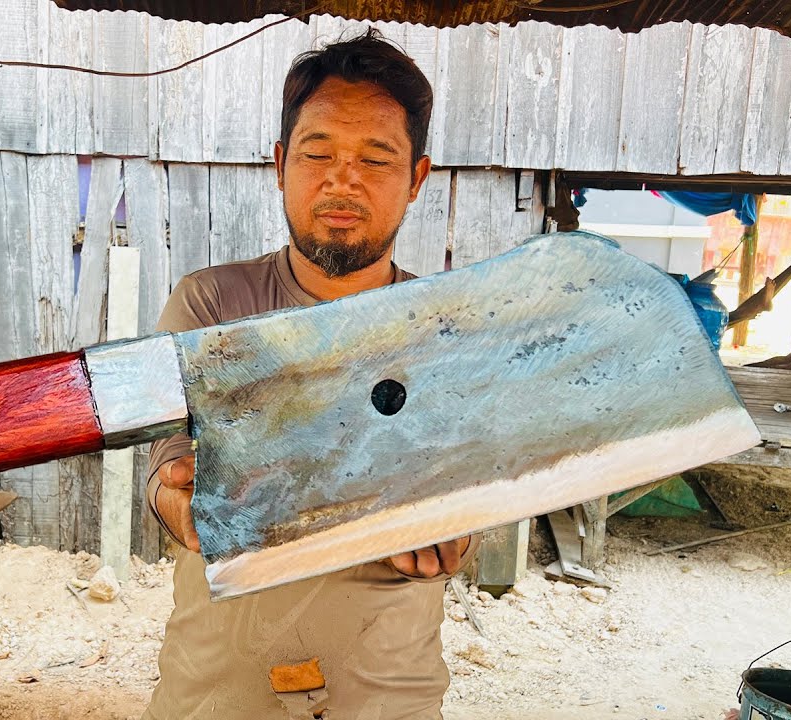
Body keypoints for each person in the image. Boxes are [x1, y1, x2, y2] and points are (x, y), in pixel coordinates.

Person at [141, 30, 479, 719]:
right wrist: (178, 502)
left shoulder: (448, 332)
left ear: (417, 177)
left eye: (375, 158)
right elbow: (169, 465)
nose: (341, 180)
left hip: (387, 696)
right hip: (216, 693)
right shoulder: (211, 308)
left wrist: (461, 528)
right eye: (317, 153)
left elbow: (475, 494)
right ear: (279, 164)